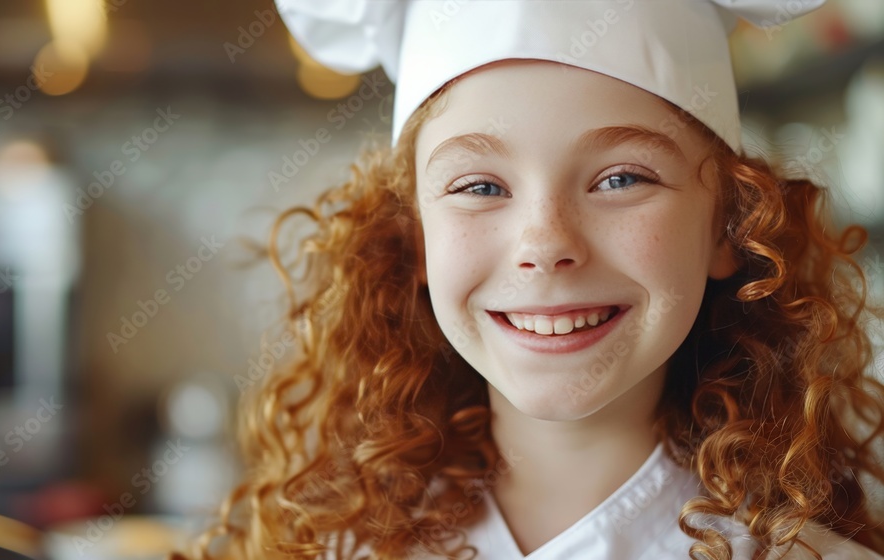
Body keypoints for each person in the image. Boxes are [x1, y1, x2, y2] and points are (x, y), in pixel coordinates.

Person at [180, 1, 884, 558]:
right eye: (480, 186)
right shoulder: (328, 549)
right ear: (412, 240)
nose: (545, 245)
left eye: (621, 178)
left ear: (730, 226)